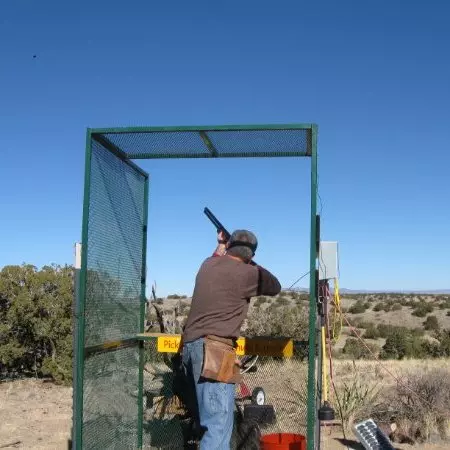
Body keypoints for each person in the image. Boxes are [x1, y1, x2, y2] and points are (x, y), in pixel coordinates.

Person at [181, 228, 281, 449]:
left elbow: (217, 258)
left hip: (190, 349)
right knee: (217, 428)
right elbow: (275, 285)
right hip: (215, 354)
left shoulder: (207, 265)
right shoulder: (247, 273)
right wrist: (251, 263)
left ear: (228, 246)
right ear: (251, 255)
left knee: (206, 423)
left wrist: (221, 245)